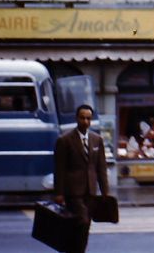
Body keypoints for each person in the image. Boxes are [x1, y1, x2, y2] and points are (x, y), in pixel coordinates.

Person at [54, 104, 109, 253]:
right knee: (82, 221)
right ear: (77, 118)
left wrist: (105, 192)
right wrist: (58, 193)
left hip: (90, 191)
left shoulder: (97, 140)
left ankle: (76, 250)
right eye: (82, 118)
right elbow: (59, 168)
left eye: (88, 118)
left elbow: (101, 168)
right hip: (73, 192)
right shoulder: (64, 140)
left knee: (84, 225)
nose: (85, 121)